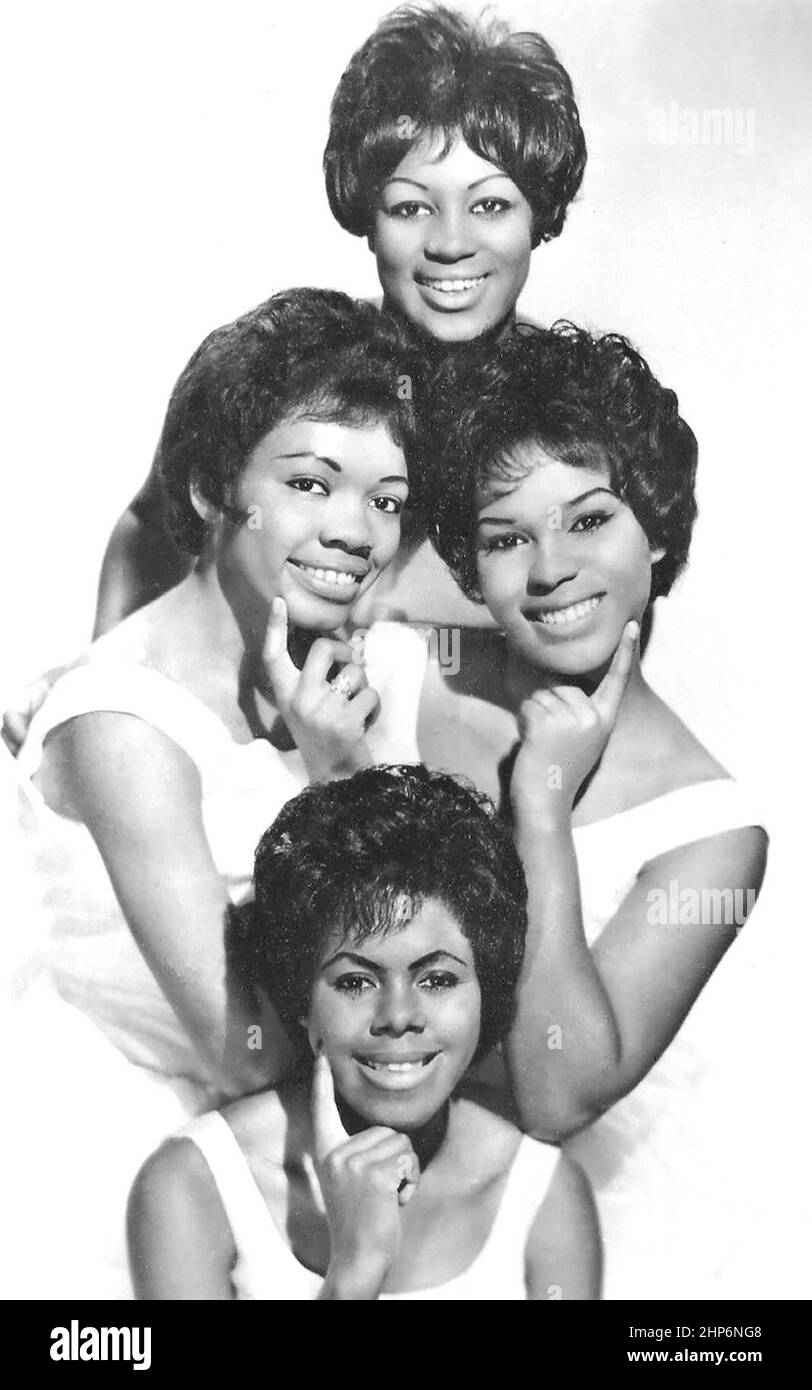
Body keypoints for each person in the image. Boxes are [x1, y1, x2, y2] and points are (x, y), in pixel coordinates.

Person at [3, 288, 418, 1299]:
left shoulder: (381, 665)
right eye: (312, 483)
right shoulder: (120, 722)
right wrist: (336, 794)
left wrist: (351, 769)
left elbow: (431, 953)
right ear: (206, 487)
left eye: (385, 497)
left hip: (314, 1130)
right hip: (112, 1142)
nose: (355, 529)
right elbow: (243, 1053)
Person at [410, 322, 768, 1297]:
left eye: (587, 519)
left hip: (567, 1245)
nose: (549, 567)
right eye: (504, 535)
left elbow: (556, 1092)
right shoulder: (414, 669)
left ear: (654, 525)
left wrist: (539, 808)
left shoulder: (712, 832)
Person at [90, 3, 586, 637]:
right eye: (411, 208)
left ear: (538, 215)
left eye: (490, 204)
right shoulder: (294, 367)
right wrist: (105, 679)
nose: (451, 243)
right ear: (367, 219)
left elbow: (619, 603)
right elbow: (150, 528)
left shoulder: (576, 405)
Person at [128, 764, 600, 1300]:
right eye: (355, 981)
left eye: (438, 978)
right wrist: (354, 1270)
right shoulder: (194, 1185)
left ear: (484, 992)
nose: (398, 1014)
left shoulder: (543, 1196)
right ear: (301, 999)